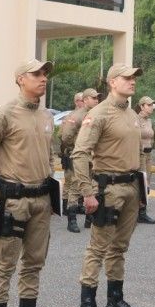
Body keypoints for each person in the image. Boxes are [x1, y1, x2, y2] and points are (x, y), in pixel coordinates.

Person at [0, 58, 59, 307]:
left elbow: (49, 156)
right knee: (5, 264)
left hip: (41, 199)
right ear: (20, 79)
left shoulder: (47, 115)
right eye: (36, 74)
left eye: (45, 74)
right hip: (14, 200)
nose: (43, 78)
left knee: (34, 262)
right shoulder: (5, 113)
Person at [71, 64, 146, 307]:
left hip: (131, 187)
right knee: (98, 248)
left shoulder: (131, 114)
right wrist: (87, 192)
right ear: (112, 82)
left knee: (119, 248)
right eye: (127, 78)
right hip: (108, 188)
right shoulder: (99, 113)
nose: (132, 82)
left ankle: (115, 300)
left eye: (134, 78)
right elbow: (80, 153)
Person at [60, 88, 99, 233]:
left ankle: (90, 218)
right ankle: (72, 219)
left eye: (97, 98)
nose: (96, 100)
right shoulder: (77, 116)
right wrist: (75, 148)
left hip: (94, 156)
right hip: (79, 155)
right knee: (76, 187)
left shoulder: (96, 114)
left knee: (94, 186)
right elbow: (65, 136)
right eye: (93, 98)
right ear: (85, 100)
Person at [136, 96, 155, 224]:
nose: (151, 107)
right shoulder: (136, 119)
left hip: (149, 154)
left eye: (152, 105)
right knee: (142, 183)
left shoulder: (149, 121)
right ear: (142, 106)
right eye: (149, 105)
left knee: (148, 182)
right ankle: (140, 212)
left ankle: (142, 210)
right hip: (140, 154)